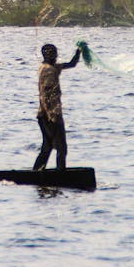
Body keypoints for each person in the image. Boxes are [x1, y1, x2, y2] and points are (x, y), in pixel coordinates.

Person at [33, 42, 82, 171]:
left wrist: (78, 52)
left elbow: (71, 64)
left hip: (43, 115)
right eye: (54, 53)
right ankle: (61, 174)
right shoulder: (49, 70)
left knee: (47, 146)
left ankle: (37, 172)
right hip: (50, 115)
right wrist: (52, 116)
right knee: (61, 147)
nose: (56, 56)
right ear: (50, 55)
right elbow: (46, 95)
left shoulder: (49, 67)